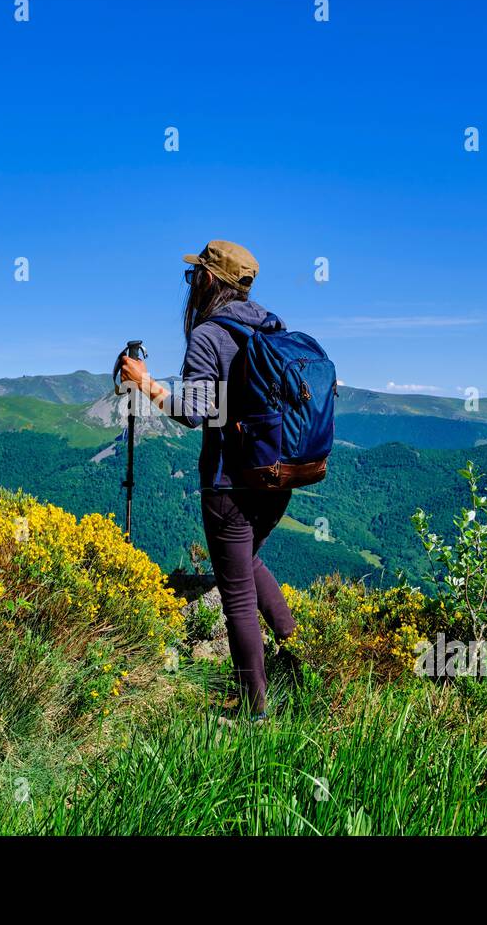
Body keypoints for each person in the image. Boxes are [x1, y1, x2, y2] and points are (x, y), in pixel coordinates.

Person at [120, 240, 298, 720]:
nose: (189, 283)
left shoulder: (209, 335)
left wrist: (147, 384)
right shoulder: (271, 326)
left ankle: (253, 711)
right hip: (277, 477)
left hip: (229, 484)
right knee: (249, 562)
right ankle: (297, 652)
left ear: (208, 280)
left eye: (192, 276)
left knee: (234, 591)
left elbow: (196, 413)